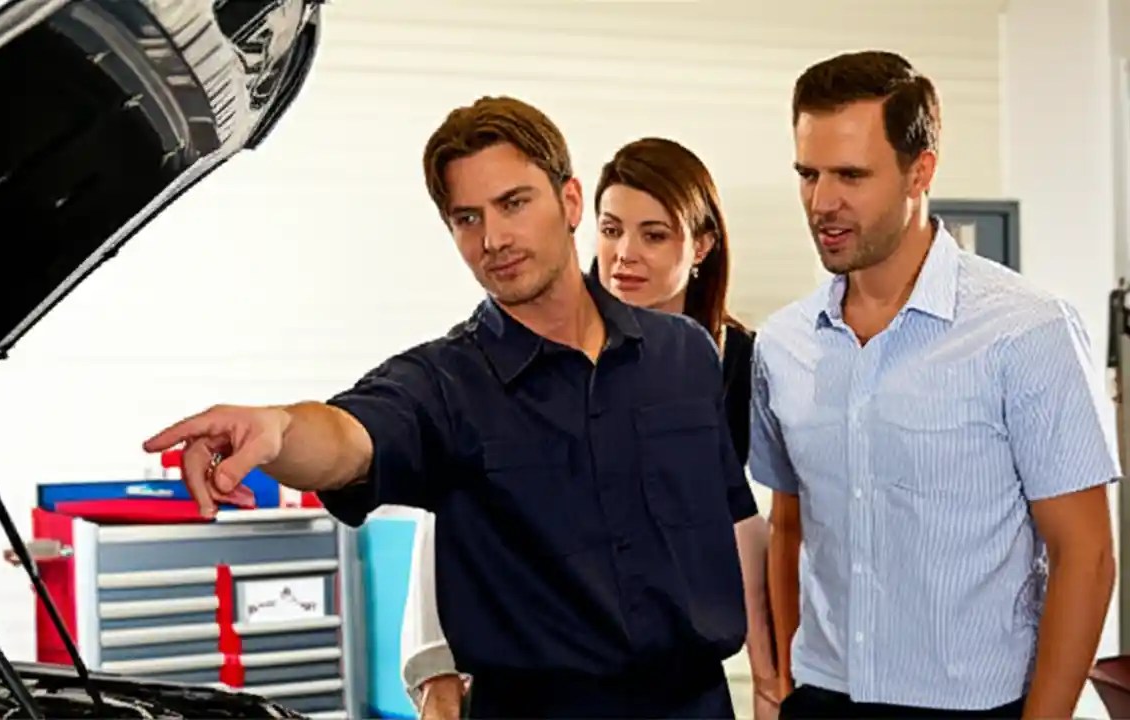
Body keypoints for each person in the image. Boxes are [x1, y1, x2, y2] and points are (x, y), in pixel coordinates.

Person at [144, 96, 761, 719]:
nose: (494, 238)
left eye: (514, 204)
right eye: (467, 218)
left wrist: (770, 686)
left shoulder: (683, 356)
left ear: (570, 202)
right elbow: (348, 437)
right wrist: (277, 430)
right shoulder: (444, 383)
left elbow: (735, 524)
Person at [751, 50, 1119, 719]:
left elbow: (1086, 555)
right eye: (808, 173)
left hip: (979, 706)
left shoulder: (1028, 332)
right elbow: (789, 525)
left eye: (851, 176)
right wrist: (779, 685)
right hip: (823, 698)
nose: (821, 202)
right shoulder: (782, 345)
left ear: (920, 171)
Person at [398, 136, 779, 720]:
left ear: (700, 246)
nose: (623, 254)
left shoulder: (734, 362)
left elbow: (751, 521)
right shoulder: (532, 343)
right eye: (610, 229)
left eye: (654, 235)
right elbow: (451, 518)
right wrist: (436, 678)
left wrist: (771, 681)